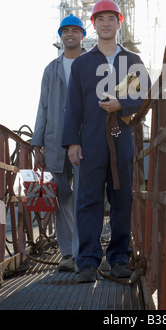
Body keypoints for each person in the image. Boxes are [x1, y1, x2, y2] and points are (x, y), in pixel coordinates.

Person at [62, 0, 150, 283]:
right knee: (88, 200)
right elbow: (73, 106)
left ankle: (119, 258)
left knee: (122, 198)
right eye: (100, 19)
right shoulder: (83, 64)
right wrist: (72, 143)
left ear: (118, 23)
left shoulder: (132, 61)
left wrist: (120, 104)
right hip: (90, 140)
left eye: (111, 18)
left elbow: (143, 96)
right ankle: (87, 263)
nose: (105, 23)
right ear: (94, 24)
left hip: (121, 137)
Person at [31, 14, 86, 271]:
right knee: (62, 195)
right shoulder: (50, 70)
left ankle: (84, 251)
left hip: (84, 140)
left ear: (83, 35)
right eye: (65, 31)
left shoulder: (91, 64)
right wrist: (36, 144)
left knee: (85, 195)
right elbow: (42, 107)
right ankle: (68, 254)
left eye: (75, 30)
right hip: (54, 141)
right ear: (60, 36)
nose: (70, 35)